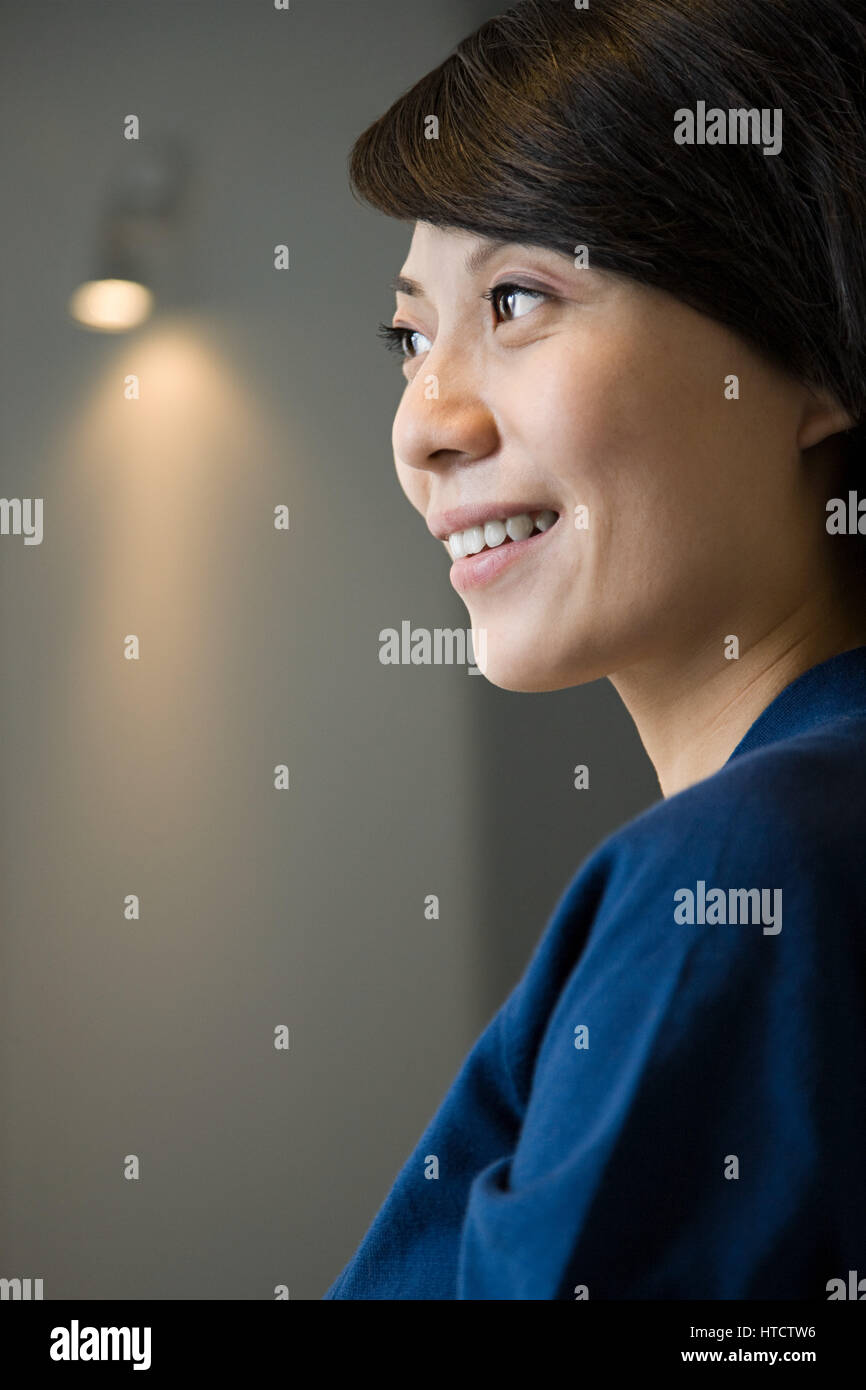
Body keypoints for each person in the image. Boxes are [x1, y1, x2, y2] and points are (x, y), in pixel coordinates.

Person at [324, 0, 866, 1299]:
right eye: (409, 337)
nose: (425, 425)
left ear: (815, 353)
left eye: (517, 298)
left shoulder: (738, 870)